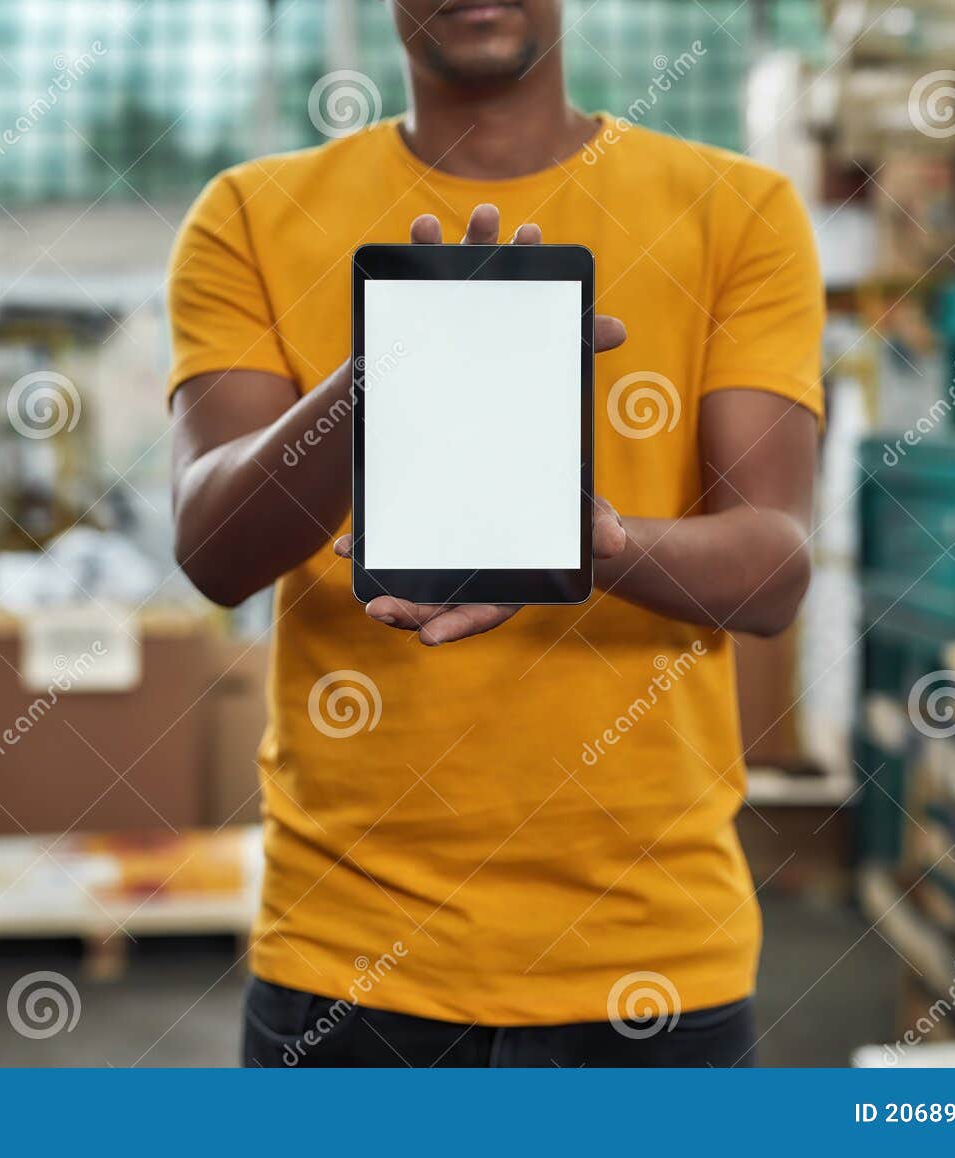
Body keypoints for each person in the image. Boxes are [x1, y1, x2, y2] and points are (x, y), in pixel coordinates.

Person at [169, 0, 822, 1067]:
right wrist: (381, 376)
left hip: (649, 952)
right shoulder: (250, 213)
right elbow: (213, 550)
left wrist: (592, 544)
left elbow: (774, 571)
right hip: (349, 959)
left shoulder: (735, 209)